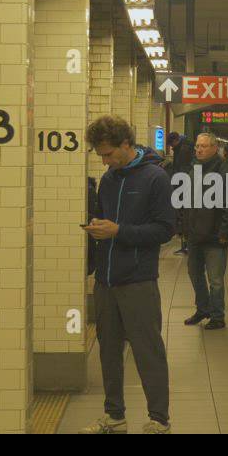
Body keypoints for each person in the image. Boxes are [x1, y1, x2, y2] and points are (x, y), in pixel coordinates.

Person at [80, 115, 176, 435]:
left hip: (138, 280)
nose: (105, 161)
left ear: (125, 144)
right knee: (108, 351)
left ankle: (159, 419)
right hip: (106, 281)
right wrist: (98, 231)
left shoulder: (155, 178)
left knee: (147, 350)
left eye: (108, 154)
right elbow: (107, 220)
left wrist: (119, 231)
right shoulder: (109, 179)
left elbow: (164, 230)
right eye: (100, 155)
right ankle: (114, 416)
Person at [183, 133, 228, 330]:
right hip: (195, 235)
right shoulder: (193, 170)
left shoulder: (225, 171)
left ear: (215, 148)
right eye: (197, 146)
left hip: (215, 236)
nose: (199, 149)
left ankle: (217, 316)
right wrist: (184, 228)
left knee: (215, 279)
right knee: (194, 273)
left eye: (204, 146)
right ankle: (203, 309)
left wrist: (226, 232)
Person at [169, 132, 193, 255]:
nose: (171, 147)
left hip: (183, 187)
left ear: (176, 140)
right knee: (184, 217)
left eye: (171, 144)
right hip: (183, 186)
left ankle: (187, 246)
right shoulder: (183, 147)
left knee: (184, 217)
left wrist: (177, 187)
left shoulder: (183, 149)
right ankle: (186, 245)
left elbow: (182, 169)